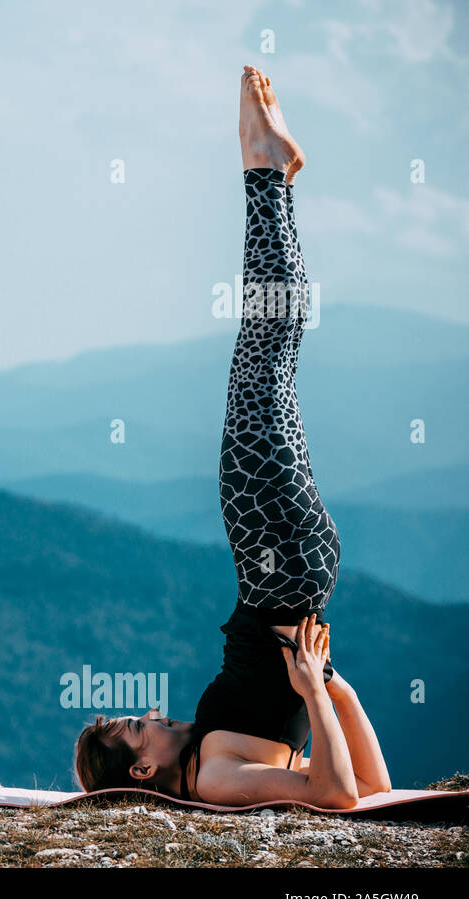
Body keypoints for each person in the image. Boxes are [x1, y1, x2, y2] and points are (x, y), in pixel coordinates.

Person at [73, 67, 390, 810]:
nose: (150, 716)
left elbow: (375, 787)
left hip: (290, 571)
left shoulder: (215, 753)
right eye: (136, 728)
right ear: (143, 769)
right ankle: (264, 172)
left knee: (269, 358)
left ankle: (269, 175)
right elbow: (341, 797)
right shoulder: (213, 776)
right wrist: (314, 687)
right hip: (279, 568)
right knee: (264, 357)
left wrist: (329, 685)